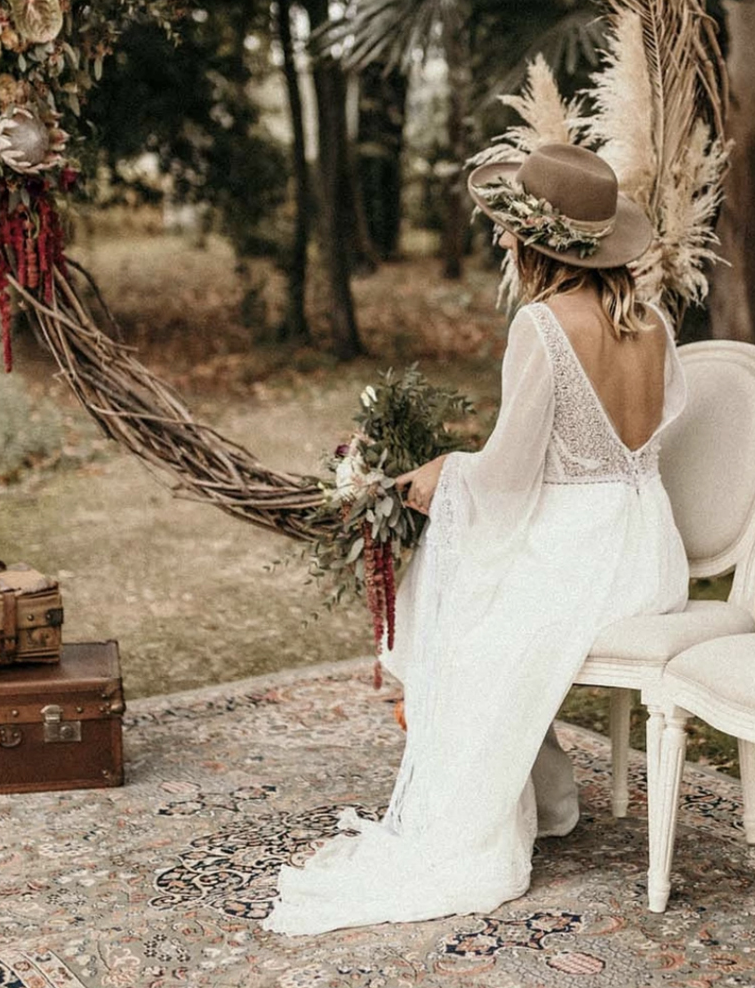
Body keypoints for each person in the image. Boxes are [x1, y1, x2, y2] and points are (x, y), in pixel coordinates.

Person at [264, 143, 691, 935]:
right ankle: (551, 797)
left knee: (459, 615)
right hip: (650, 550)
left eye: (507, 230)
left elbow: (508, 476)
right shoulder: (653, 322)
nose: (500, 242)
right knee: (474, 602)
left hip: (588, 555)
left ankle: (482, 824)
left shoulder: (543, 324)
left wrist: (440, 475)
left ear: (539, 241)